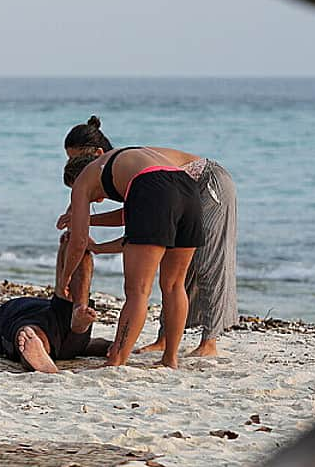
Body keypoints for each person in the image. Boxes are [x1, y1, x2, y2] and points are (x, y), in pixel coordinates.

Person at [62, 116, 238, 357]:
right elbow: (137, 219)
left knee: (207, 263)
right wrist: (87, 222)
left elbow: (134, 219)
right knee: (174, 279)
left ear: (97, 152)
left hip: (207, 181)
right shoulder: (122, 166)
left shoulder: (105, 170)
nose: (74, 163)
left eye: (75, 158)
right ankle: (166, 345)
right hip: (182, 191)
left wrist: (66, 276)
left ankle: (209, 342)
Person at [62, 145, 205, 368]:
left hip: (154, 190)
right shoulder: (124, 163)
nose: (96, 202)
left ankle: (116, 359)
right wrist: (97, 245)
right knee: (175, 284)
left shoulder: (83, 181)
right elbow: (135, 223)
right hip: (188, 188)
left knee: (138, 291)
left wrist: (66, 278)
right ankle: (170, 358)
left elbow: (78, 241)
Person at [0, 234, 110, 372]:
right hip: (67, 329)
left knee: (29, 336)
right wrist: (109, 346)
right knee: (53, 324)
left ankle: (44, 349)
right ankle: (79, 308)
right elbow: (90, 345)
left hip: (54, 326)